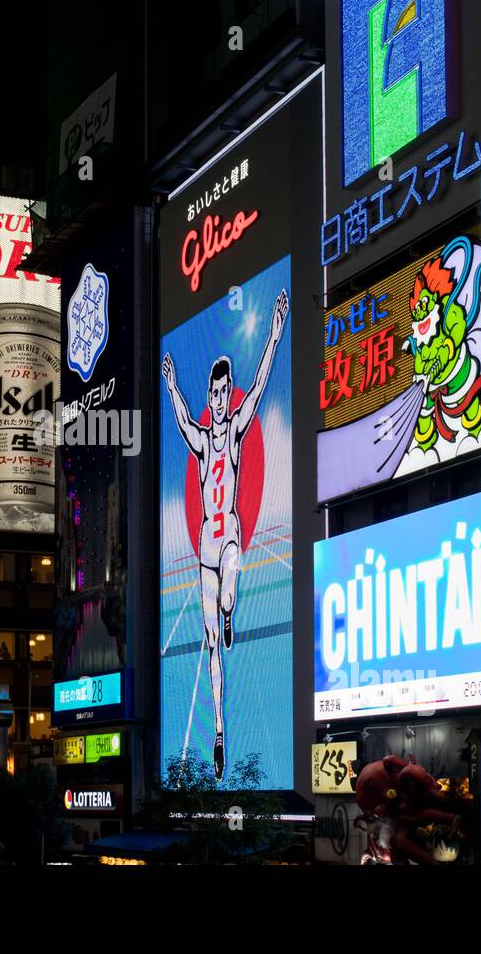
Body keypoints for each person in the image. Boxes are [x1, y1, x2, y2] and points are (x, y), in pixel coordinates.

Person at [160, 287, 288, 782]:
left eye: (221, 392)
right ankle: (217, 731)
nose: (217, 400)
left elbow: (259, 383)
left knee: (233, 571)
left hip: (228, 539)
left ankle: (232, 608)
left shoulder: (233, 431)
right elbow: (179, 419)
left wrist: (275, 333)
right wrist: (172, 386)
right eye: (212, 393)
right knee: (211, 645)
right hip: (203, 555)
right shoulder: (198, 436)